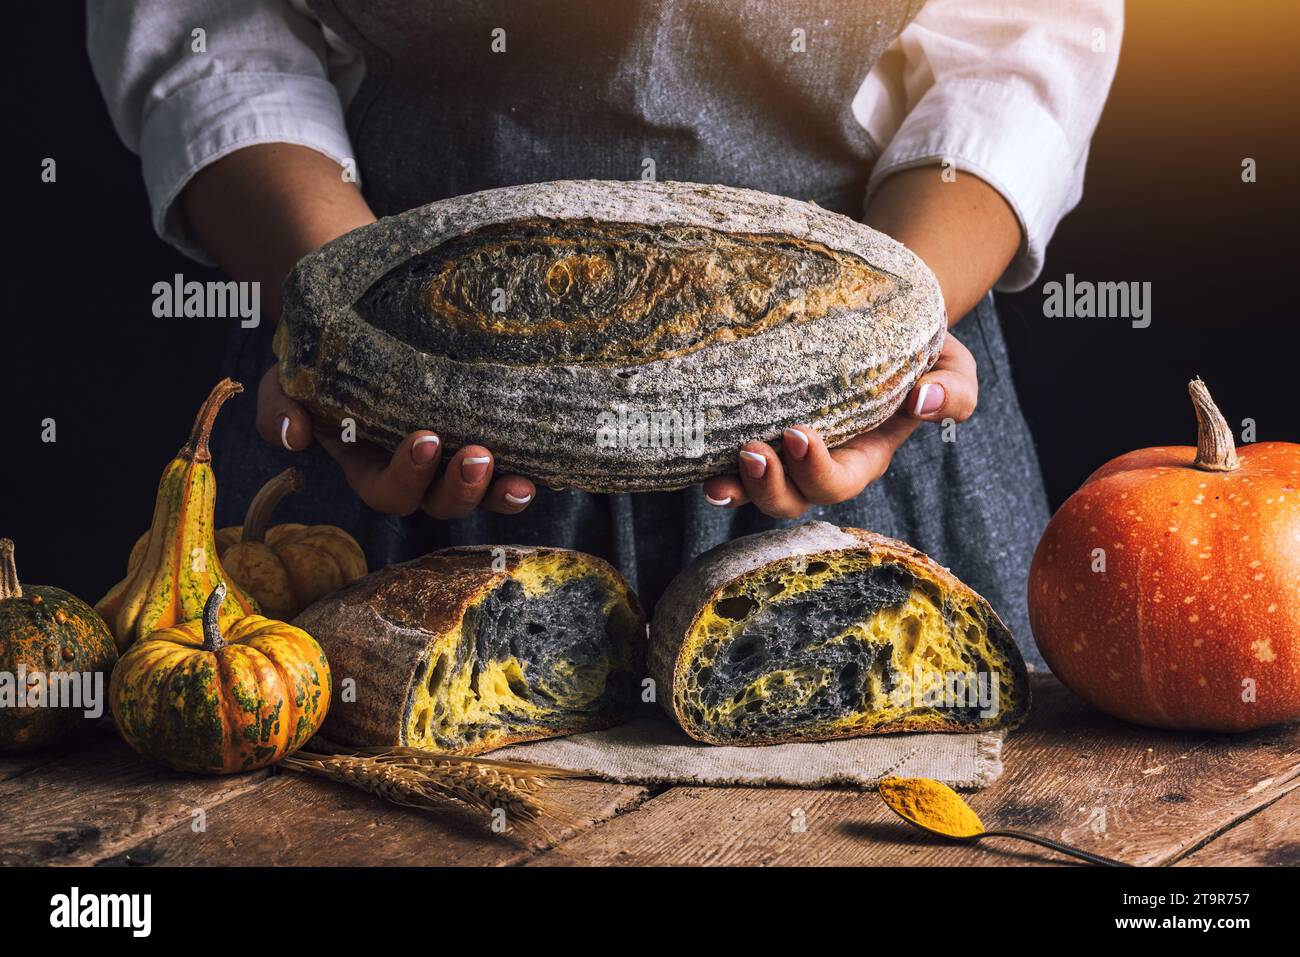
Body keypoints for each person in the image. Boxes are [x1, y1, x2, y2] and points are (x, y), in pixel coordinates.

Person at [88, 0, 1123, 666]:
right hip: (382, 427)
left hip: (865, 431)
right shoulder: (362, 351)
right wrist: (345, 335)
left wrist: (883, 346)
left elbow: (1019, 35)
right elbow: (210, 25)